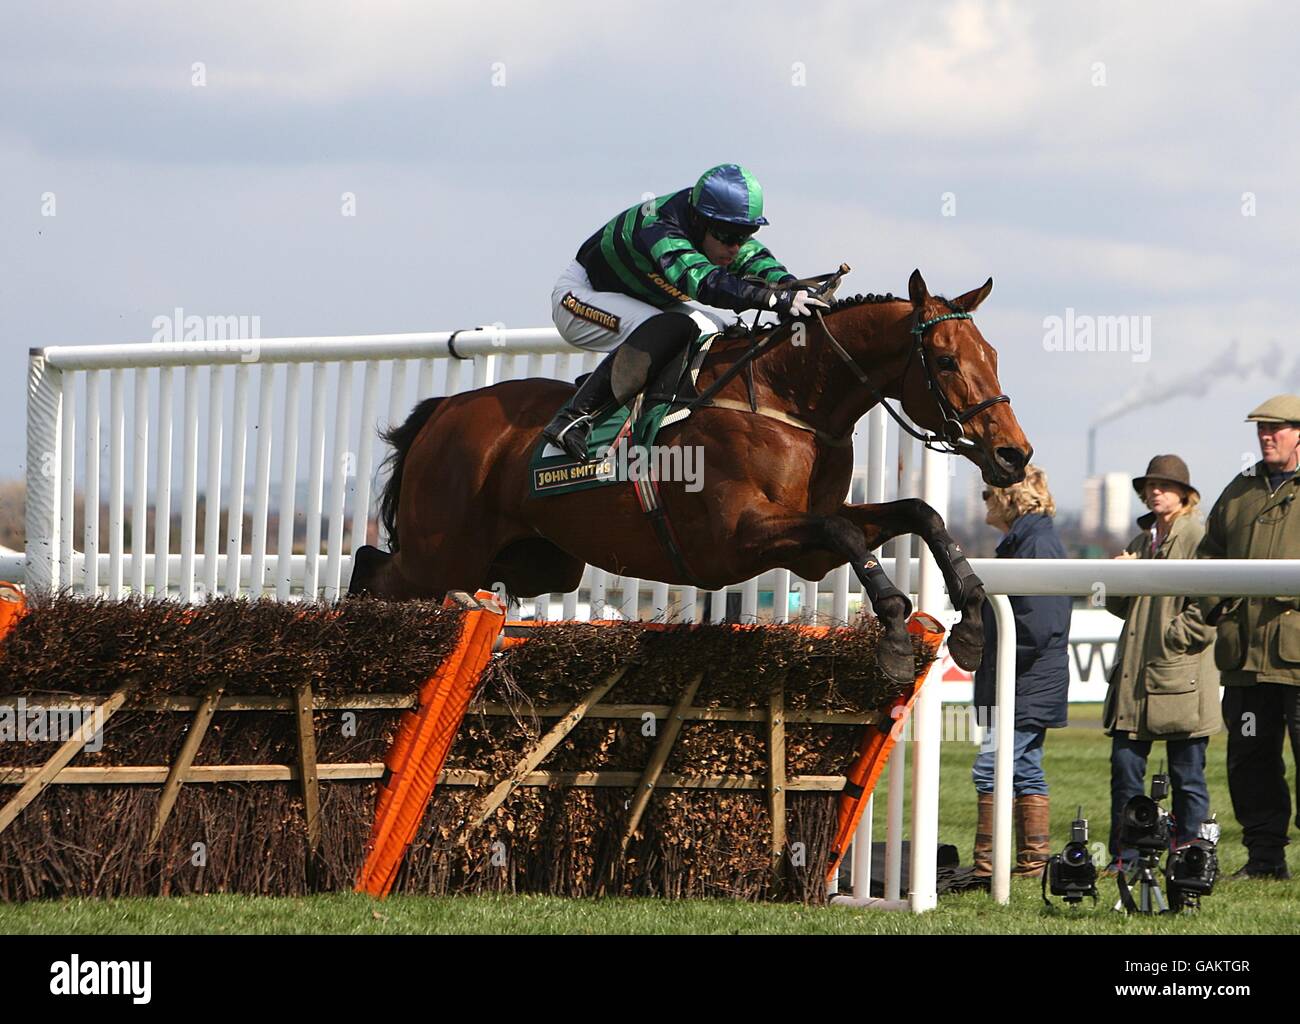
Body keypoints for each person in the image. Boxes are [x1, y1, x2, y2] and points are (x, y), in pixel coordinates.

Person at [541, 163, 827, 461]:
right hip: (580, 298)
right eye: (729, 236)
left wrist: (790, 286)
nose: (736, 246)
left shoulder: (716, 226)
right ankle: (572, 417)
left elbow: (755, 261)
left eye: (745, 234)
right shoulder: (660, 226)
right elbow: (704, 283)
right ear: (700, 221)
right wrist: (773, 299)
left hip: (639, 299)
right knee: (667, 328)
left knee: (717, 331)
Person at [1197, 394, 1300, 879]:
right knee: (1250, 761)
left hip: (1297, 657)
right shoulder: (1239, 491)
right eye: (1261, 428)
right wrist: (1218, 602)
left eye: (1276, 428)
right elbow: (1208, 556)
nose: (1266, 435)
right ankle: (1264, 859)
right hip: (1245, 662)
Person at [1103, 455, 1220, 874]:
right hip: (1136, 680)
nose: (1155, 491)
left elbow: (1214, 601)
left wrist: (1175, 637)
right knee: (1125, 773)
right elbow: (1122, 609)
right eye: (1150, 485)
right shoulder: (1142, 540)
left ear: (1185, 494)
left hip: (1180, 676)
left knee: (1188, 776)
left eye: (1165, 486)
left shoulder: (1197, 535)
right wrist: (1119, 578)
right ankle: (1127, 857)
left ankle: (1191, 858)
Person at [970, 465, 1072, 879]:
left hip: (1026, 680)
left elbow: (1038, 623)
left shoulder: (1035, 543)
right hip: (1026, 679)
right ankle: (1033, 863)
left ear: (1008, 498)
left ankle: (986, 867)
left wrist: (998, 654)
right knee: (1025, 767)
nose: (984, 501)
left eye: (987, 494)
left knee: (990, 767)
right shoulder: (1027, 539)